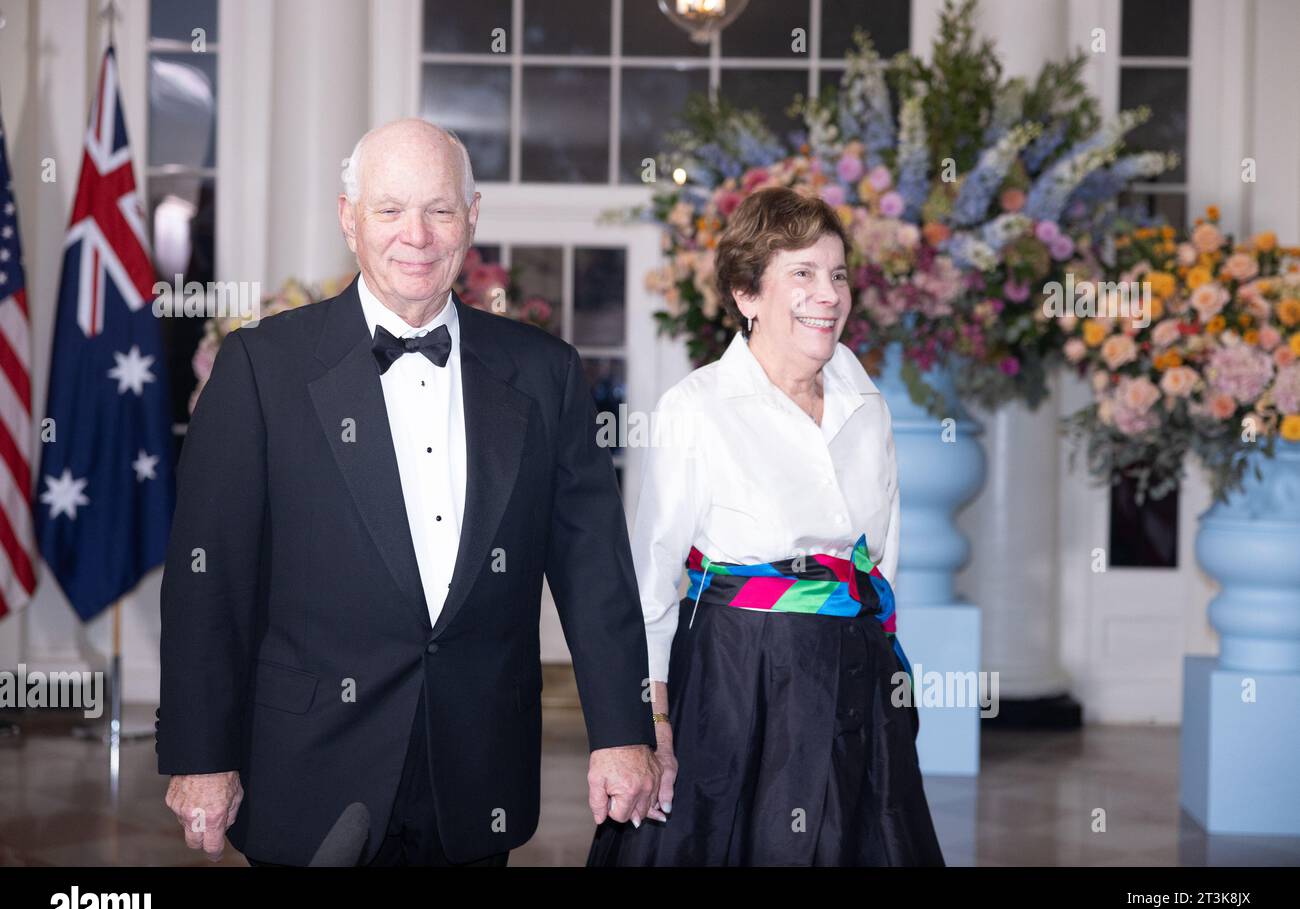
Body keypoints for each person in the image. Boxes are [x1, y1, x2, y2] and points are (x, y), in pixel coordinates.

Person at [157, 119, 659, 866]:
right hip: (308, 768)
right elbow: (209, 581)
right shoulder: (262, 368)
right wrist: (201, 755)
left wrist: (623, 732)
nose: (416, 235)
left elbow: (595, 572)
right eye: (390, 209)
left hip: (477, 770)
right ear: (348, 219)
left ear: (472, 218)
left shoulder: (544, 373)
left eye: (440, 209)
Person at [588, 186, 945, 866]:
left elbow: (880, 557)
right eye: (803, 273)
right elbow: (652, 587)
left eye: (838, 274)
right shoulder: (696, 408)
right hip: (737, 681)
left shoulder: (866, 401)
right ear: (747, 295)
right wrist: (654, 726)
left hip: (857, 679)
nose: (829, 293)